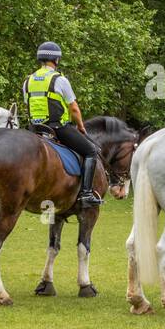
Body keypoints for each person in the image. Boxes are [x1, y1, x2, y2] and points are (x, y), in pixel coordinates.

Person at [24, 41, 102, 206]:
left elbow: (28, 104)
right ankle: (86, 193)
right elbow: (73, 108)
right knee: (91, 151)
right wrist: (81, 126)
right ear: (56, 60)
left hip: (34, 130)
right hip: (56, 128)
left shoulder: (28, 80)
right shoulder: (59, 79)